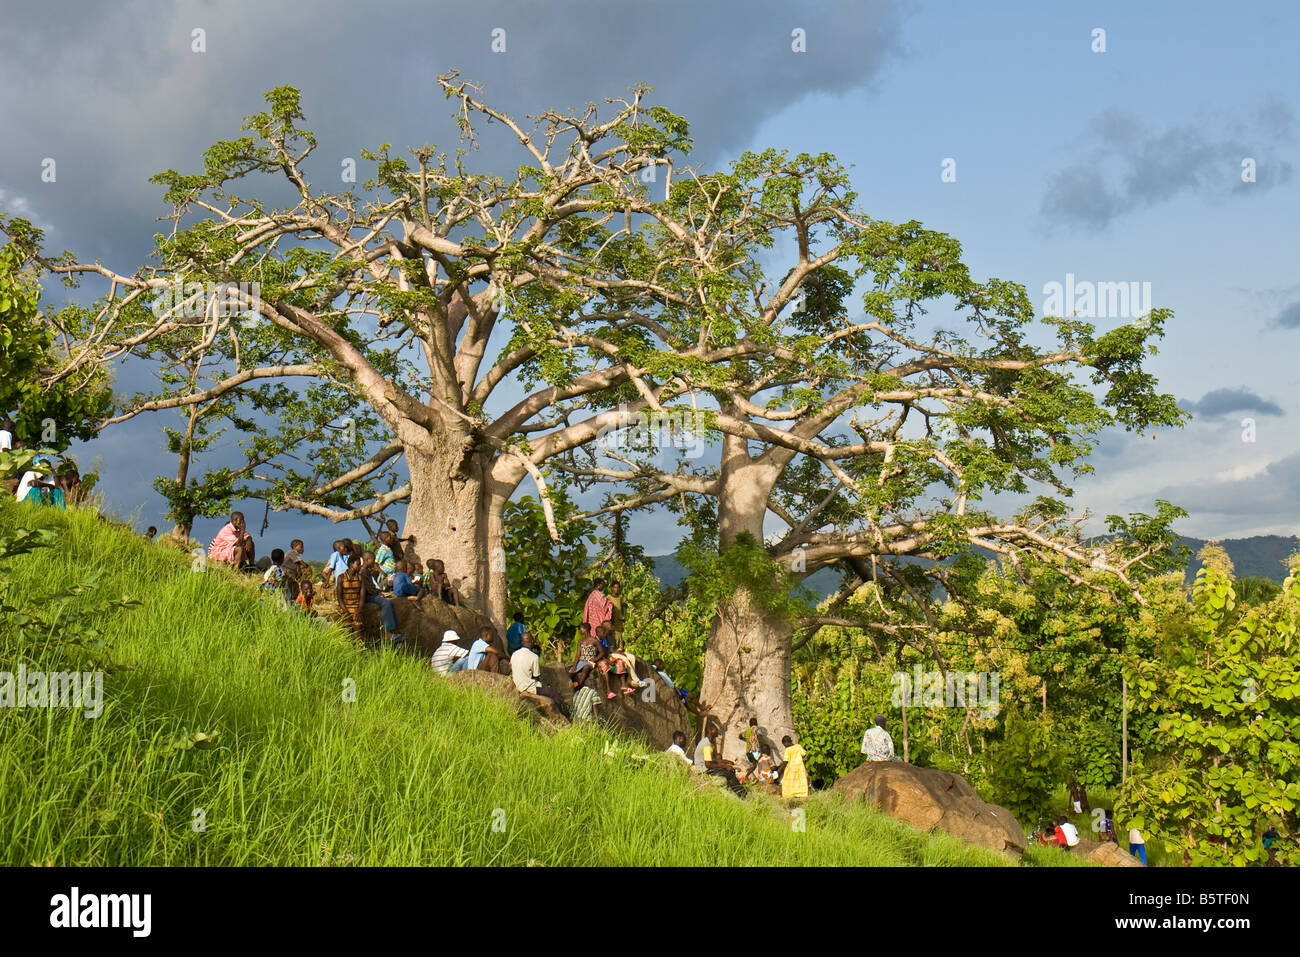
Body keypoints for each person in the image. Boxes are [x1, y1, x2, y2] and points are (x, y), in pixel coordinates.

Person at [511, 632, 567, 716]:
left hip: (517, 684)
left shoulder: (514, 654)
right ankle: (561, 716)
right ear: (531, 642)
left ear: (522, 642)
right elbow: (536, 676)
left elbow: (511, 667)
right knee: (554, 694)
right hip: (528, 687)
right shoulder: (534, 657)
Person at [361, 558, 406, 648]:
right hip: (368, 595)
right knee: (386, 603)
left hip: (371, 593)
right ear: (366, 560)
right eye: (372, 560)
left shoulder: (366, 571)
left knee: (391, 601)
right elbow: (367, 588)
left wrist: (378, 591)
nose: (374, 562)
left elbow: (371, 586)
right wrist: (377, 593)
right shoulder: (363, 572)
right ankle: (389, 631)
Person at [695, 723, 747, 798]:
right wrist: (725, 766)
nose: (717, 732)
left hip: (704, 768)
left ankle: (737, 792)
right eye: (715, 729)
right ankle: (743, 795)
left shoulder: (707, 742)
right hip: (703, 770)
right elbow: (708, 764)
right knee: (729, 774)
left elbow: (710, 760)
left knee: (729, 770)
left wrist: (725, 763)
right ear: (710, 731)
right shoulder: (706, 745)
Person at [335, 554, 367, 640]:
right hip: (344, 607)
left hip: (356, 608)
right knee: (346, 630)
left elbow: (362, 596)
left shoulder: (360, 578)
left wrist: (359, 611)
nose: (360, 566)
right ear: (351, 564)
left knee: (358, 629)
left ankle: (358, 649)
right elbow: (339, 596)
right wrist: (345, 612)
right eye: (358, 564)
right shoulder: (341, 577)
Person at [780, 735, 809, 799]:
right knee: (800, 780)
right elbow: (804, 754)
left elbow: (785, 762)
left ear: (786, 743)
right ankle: (802, 794)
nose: (784, 746)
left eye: (784, 744)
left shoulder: (787, 750)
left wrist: (779, 770)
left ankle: (789, 794)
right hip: (800, 767)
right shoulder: (798, 746)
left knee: (789, 781)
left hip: (791, 768)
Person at [609, 580, 625, 646]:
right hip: (612, 621)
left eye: (618, 587)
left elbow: (622, 608)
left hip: (619, 621)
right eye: (615, 587)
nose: (616, 589)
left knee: (620, 638)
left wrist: (623, 617)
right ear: (612, 588)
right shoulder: (608, 597)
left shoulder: (620, 597)